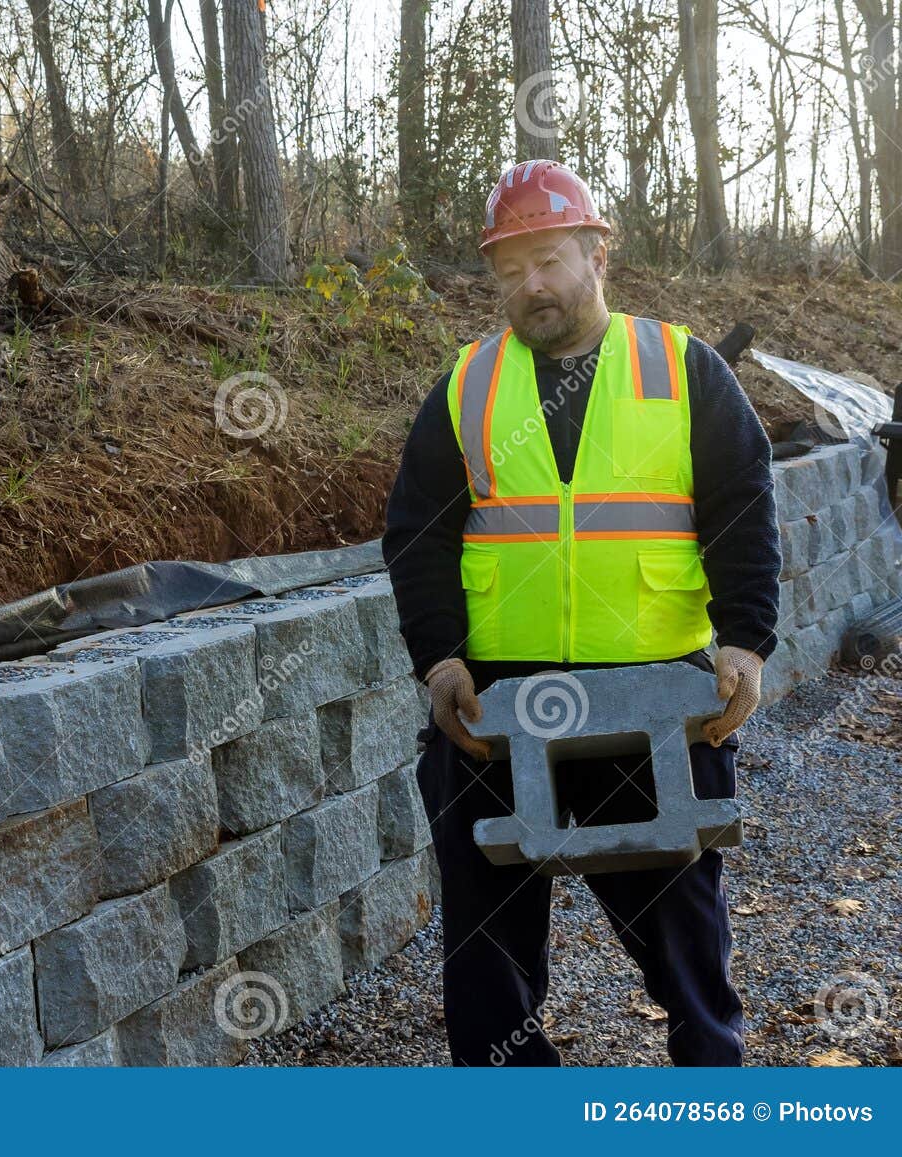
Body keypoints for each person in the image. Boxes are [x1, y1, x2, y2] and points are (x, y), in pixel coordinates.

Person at [382, 160, 780, 1066]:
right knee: (486, 954)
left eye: (551, 258)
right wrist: (440, 660)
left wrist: (748, 643)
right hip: (497, 709)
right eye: (510, 266)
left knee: (682, 933)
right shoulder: (469, 386)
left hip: (656, 700)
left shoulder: (682, 368)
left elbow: (743, 507)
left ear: (599, 252)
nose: (532, 283)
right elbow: (417, 533)